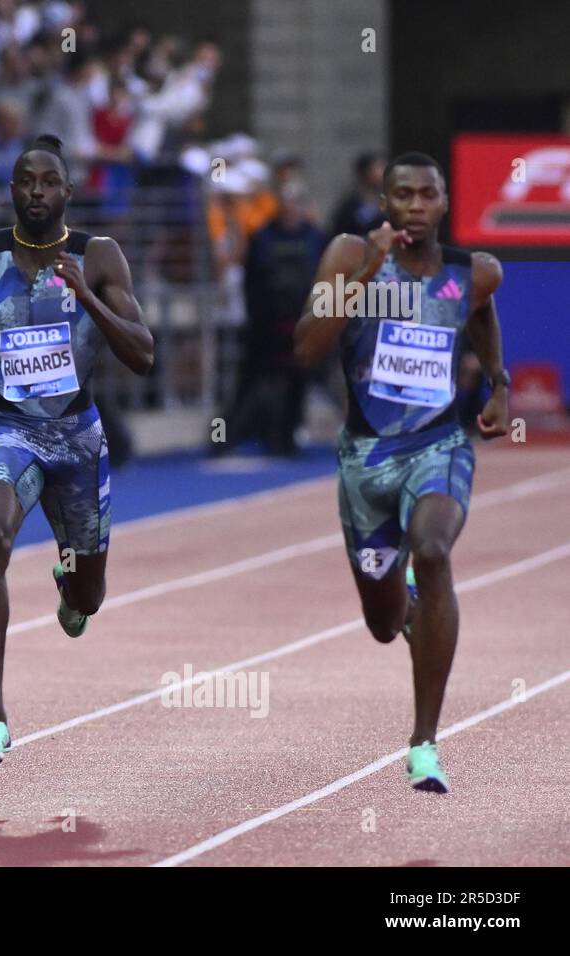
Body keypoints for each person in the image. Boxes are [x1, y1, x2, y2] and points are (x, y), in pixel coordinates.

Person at [0, 134, 154, 765]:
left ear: (67, 192)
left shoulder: (99, 256)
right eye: (25, 181)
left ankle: (69, 582)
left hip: (78, 437)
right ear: (12, 190)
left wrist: (86, 298)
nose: (36, 191)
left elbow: (143, 352)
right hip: (12, 428)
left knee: (89, 597)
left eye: (48, 181)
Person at [294, 152, 511, 793]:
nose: (416, 206)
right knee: (385, 624)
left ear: (445, 204)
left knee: (435, 548)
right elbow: (307, 346)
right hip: (364, 460)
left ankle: (423, 743)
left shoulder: (474, 273)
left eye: (428, 195)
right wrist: (365, 272)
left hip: (438, 444)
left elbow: (479, 312)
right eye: (403, 196)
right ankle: (405, 605)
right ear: (383, 205)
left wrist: (497, 383)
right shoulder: (348, 256)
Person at [214, 179, 326, 456]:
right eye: (286, 204)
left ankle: (288, 437)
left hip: (304, 323)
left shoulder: (315, 237)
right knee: (250, 382)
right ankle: (224, 439)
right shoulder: (263, 236)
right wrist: (257, 318)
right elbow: (251, 282)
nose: (291, 210)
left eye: (296, 204)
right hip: (267, 325)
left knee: (298, 384)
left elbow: (327, 279)